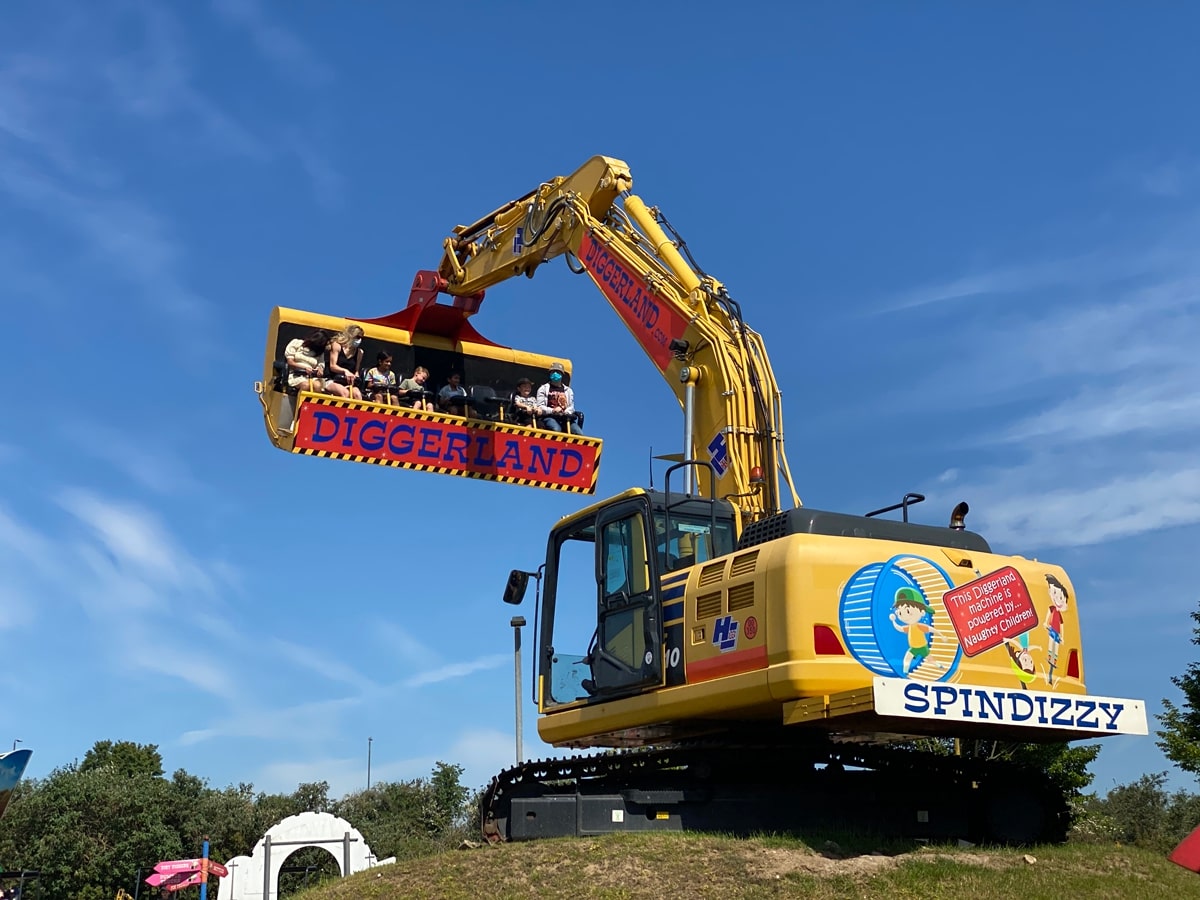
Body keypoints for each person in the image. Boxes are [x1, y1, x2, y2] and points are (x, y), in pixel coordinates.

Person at [283, 329, 349, 398]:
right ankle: (300, 405)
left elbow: (320, 364)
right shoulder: (296, 343)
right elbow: (290, 362)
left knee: (317, 385)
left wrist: (319, 369)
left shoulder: (319, 353)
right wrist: (304, 368)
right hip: (296, 374)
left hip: (312, 377)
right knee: (306, 385)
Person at [536, 362, 581, 432]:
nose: (555, 374)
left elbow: (571, 407)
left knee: (578, 432)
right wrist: (552, 411)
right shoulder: (543, 388)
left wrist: (565, 413)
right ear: (550, 374)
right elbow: (540, 406)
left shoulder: (568, 391)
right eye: (553, 372)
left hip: (565, 418)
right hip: (549, 417)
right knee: (556, 429)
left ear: (562, 375)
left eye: (558, 372)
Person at [327, 324, 364, 400]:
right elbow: (332, 366)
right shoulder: (337, 345)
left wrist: (355, 378)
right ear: (351, 335)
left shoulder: (360, 352)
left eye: (361, 338)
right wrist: (345, 371)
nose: (359, 340)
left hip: (348, 382)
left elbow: (356, 370)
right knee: (345, 393)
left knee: (357, 394)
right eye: (357, 337)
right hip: (332, 379)